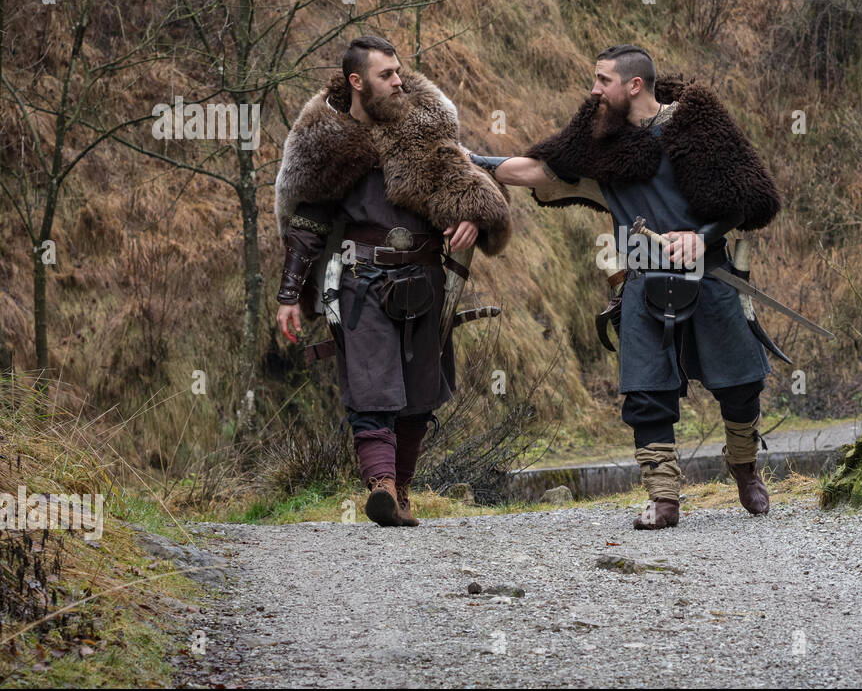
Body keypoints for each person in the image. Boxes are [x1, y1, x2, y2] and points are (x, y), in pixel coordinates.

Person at [473, 44, 781, 529]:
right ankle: (664, 498)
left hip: (712, 275)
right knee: (646, 393)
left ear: (633, 85)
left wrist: (700, 238)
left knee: (741, 385)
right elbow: (534, 170)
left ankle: (743, 467)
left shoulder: (697, 125)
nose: (594, 90)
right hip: (642, 280)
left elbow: (749, 198)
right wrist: (467, 161)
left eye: (602, 80)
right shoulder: (598, 143)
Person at [273, 35, 510, 526]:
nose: (399, 80)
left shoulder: (424, 130)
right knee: (371, 384)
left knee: (420, 391)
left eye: (400, 71)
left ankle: (401, 491)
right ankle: (379, 485)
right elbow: (308, 223)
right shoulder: (330, 140)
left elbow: (467, 187)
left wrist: (473, 219)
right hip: (359, 278)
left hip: (425, 277)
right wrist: (290, 295)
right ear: (357, 82)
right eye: (387, 75)